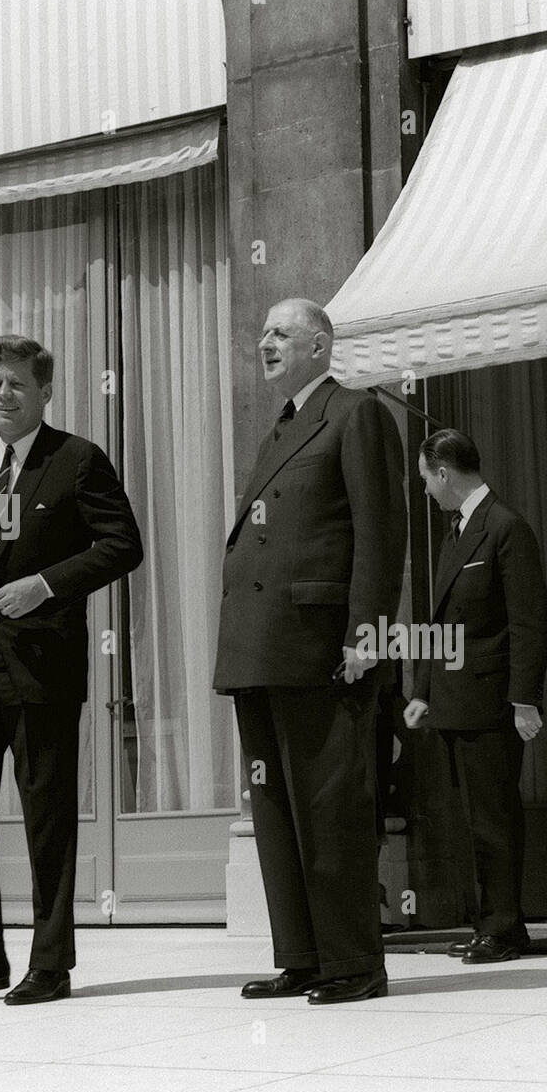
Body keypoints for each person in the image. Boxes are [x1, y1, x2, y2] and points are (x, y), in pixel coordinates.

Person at [0, 335, 143, 1005]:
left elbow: (122, 544)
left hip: (42, 669)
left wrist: (46, 584)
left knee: (47, 817)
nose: (3, 397)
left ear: (44, 391)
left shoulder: (76, 460)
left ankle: (50, 964)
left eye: (16, 385)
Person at [213, 299, 406, 1005]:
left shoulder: (356, 415)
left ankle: (354, 962)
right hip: (262, 650)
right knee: (277, 813)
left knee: (331, 813)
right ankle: (303, 957)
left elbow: (380, 535)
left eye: (281, 333)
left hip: (322, 648)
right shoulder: (283, 427)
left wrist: (367, 632)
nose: (264, 342)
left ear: (320, 346)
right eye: (261, 331)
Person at [404, 428, 547, 963]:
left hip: (490, 704)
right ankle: (486, 922)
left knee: (493, 820)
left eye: (425, 479)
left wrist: (525, 699)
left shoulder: (506, 527)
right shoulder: (457, 531)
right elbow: (441, 623)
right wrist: (422, 689)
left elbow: (530, 622)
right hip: (451, 703)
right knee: (468, 821)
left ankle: (505, 928)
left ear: (444, 473)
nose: (424, 490)